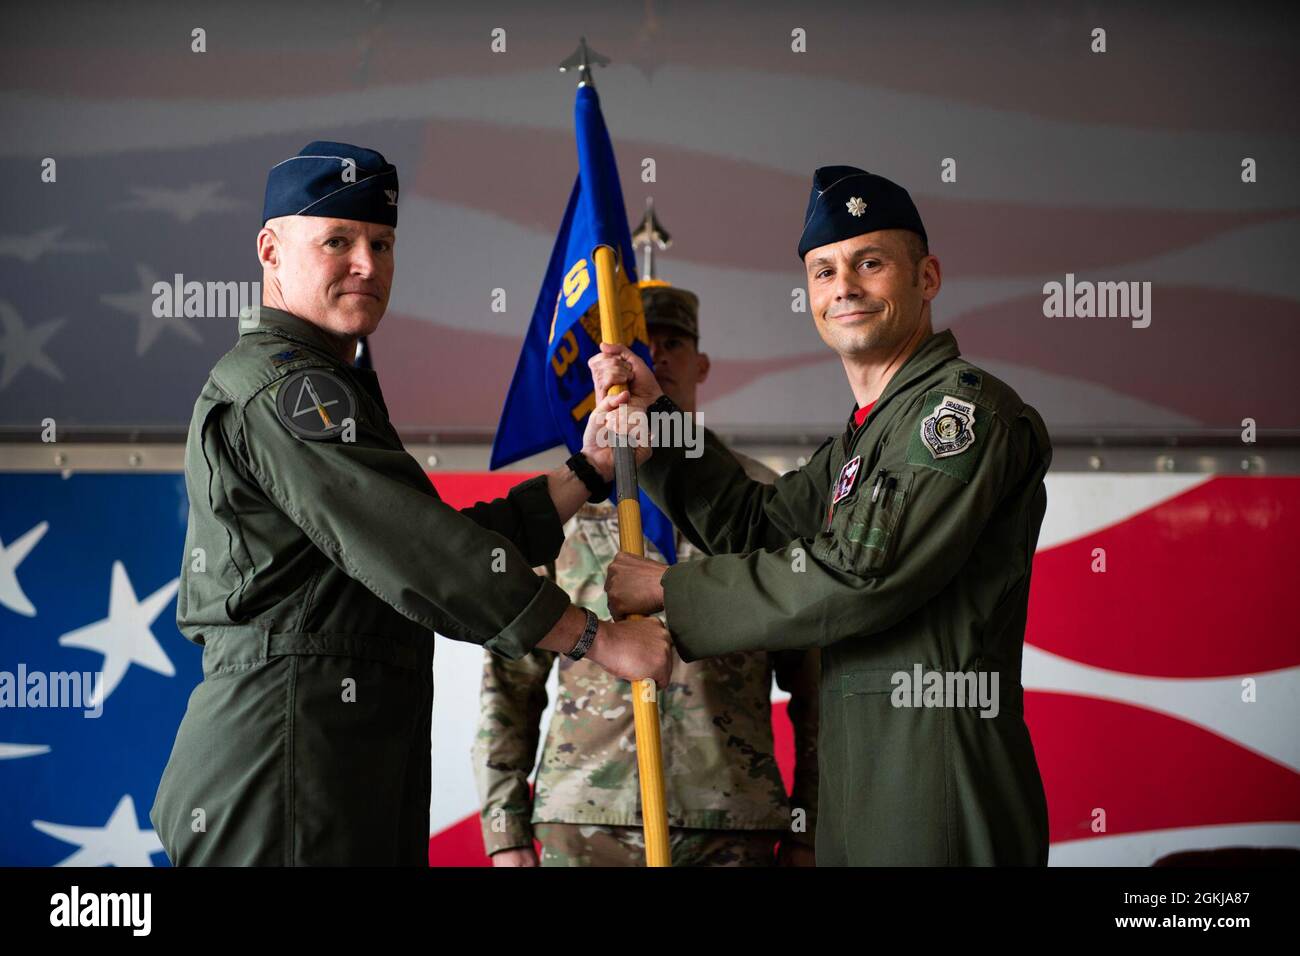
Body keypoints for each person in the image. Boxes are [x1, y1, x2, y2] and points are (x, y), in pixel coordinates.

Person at [149, 141, 671, 866]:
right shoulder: (287, 390)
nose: (366, 263)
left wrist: (588, 470)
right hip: (289, 762)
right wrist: (598, 639)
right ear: (270, 250)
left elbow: (433, 537)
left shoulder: (330, 383)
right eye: (338, 240)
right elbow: (420, 552)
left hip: (332, 758)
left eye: (382, 242)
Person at [589, 166, 1053, 866]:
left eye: (870, 263)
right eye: (824, 270)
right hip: (861, 779)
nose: (845, 287)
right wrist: (660, 422)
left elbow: (862, 575)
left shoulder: (959, 414)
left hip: (937, 778)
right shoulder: (868, 436)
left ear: (926, 277)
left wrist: (668, 589)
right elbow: (761, 525)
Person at [474, 284, 820, 867]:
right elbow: (510, 678)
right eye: (636, 343)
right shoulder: (567, 499)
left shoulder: (759, 501)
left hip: (731, 820)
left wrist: (811, 828)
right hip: (584, 821)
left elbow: (816, 686)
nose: (653, 357)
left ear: (701, 361)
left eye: (672, 342)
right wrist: (505, 833)